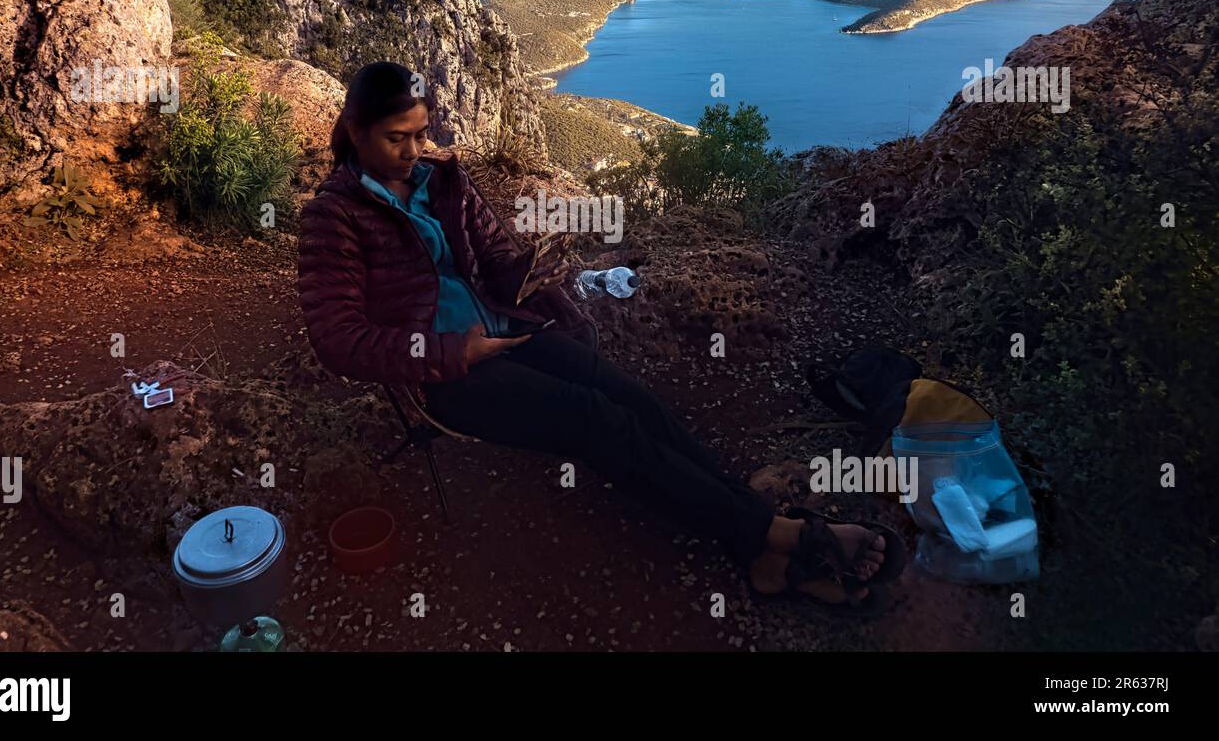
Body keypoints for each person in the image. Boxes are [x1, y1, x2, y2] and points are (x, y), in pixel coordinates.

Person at [297, 62, 905, 614]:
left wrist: (536, 270)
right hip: (444, 371)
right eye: (395, 139)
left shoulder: (443, 182)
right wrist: (453, 351)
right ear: (354, 131)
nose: (413, 151)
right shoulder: (335, 215)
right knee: (591, 419)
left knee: (627, 394)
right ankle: (780, 537)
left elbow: (496, 256)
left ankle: (760, 540)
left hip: (504, 330)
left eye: (421, 134)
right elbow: (336, 337)